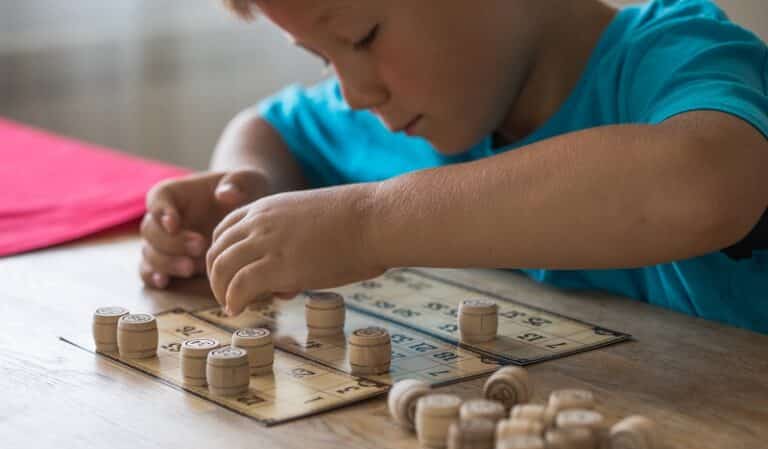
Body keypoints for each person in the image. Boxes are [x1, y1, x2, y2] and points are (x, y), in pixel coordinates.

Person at [140, 0, 768, 333]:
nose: (354, 92)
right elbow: (268, 127)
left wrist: (369, 223)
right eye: (322, 58)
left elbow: (701, 184)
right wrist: (247, 192)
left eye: (361, 38)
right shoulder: (431, 102)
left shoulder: (677, 56)